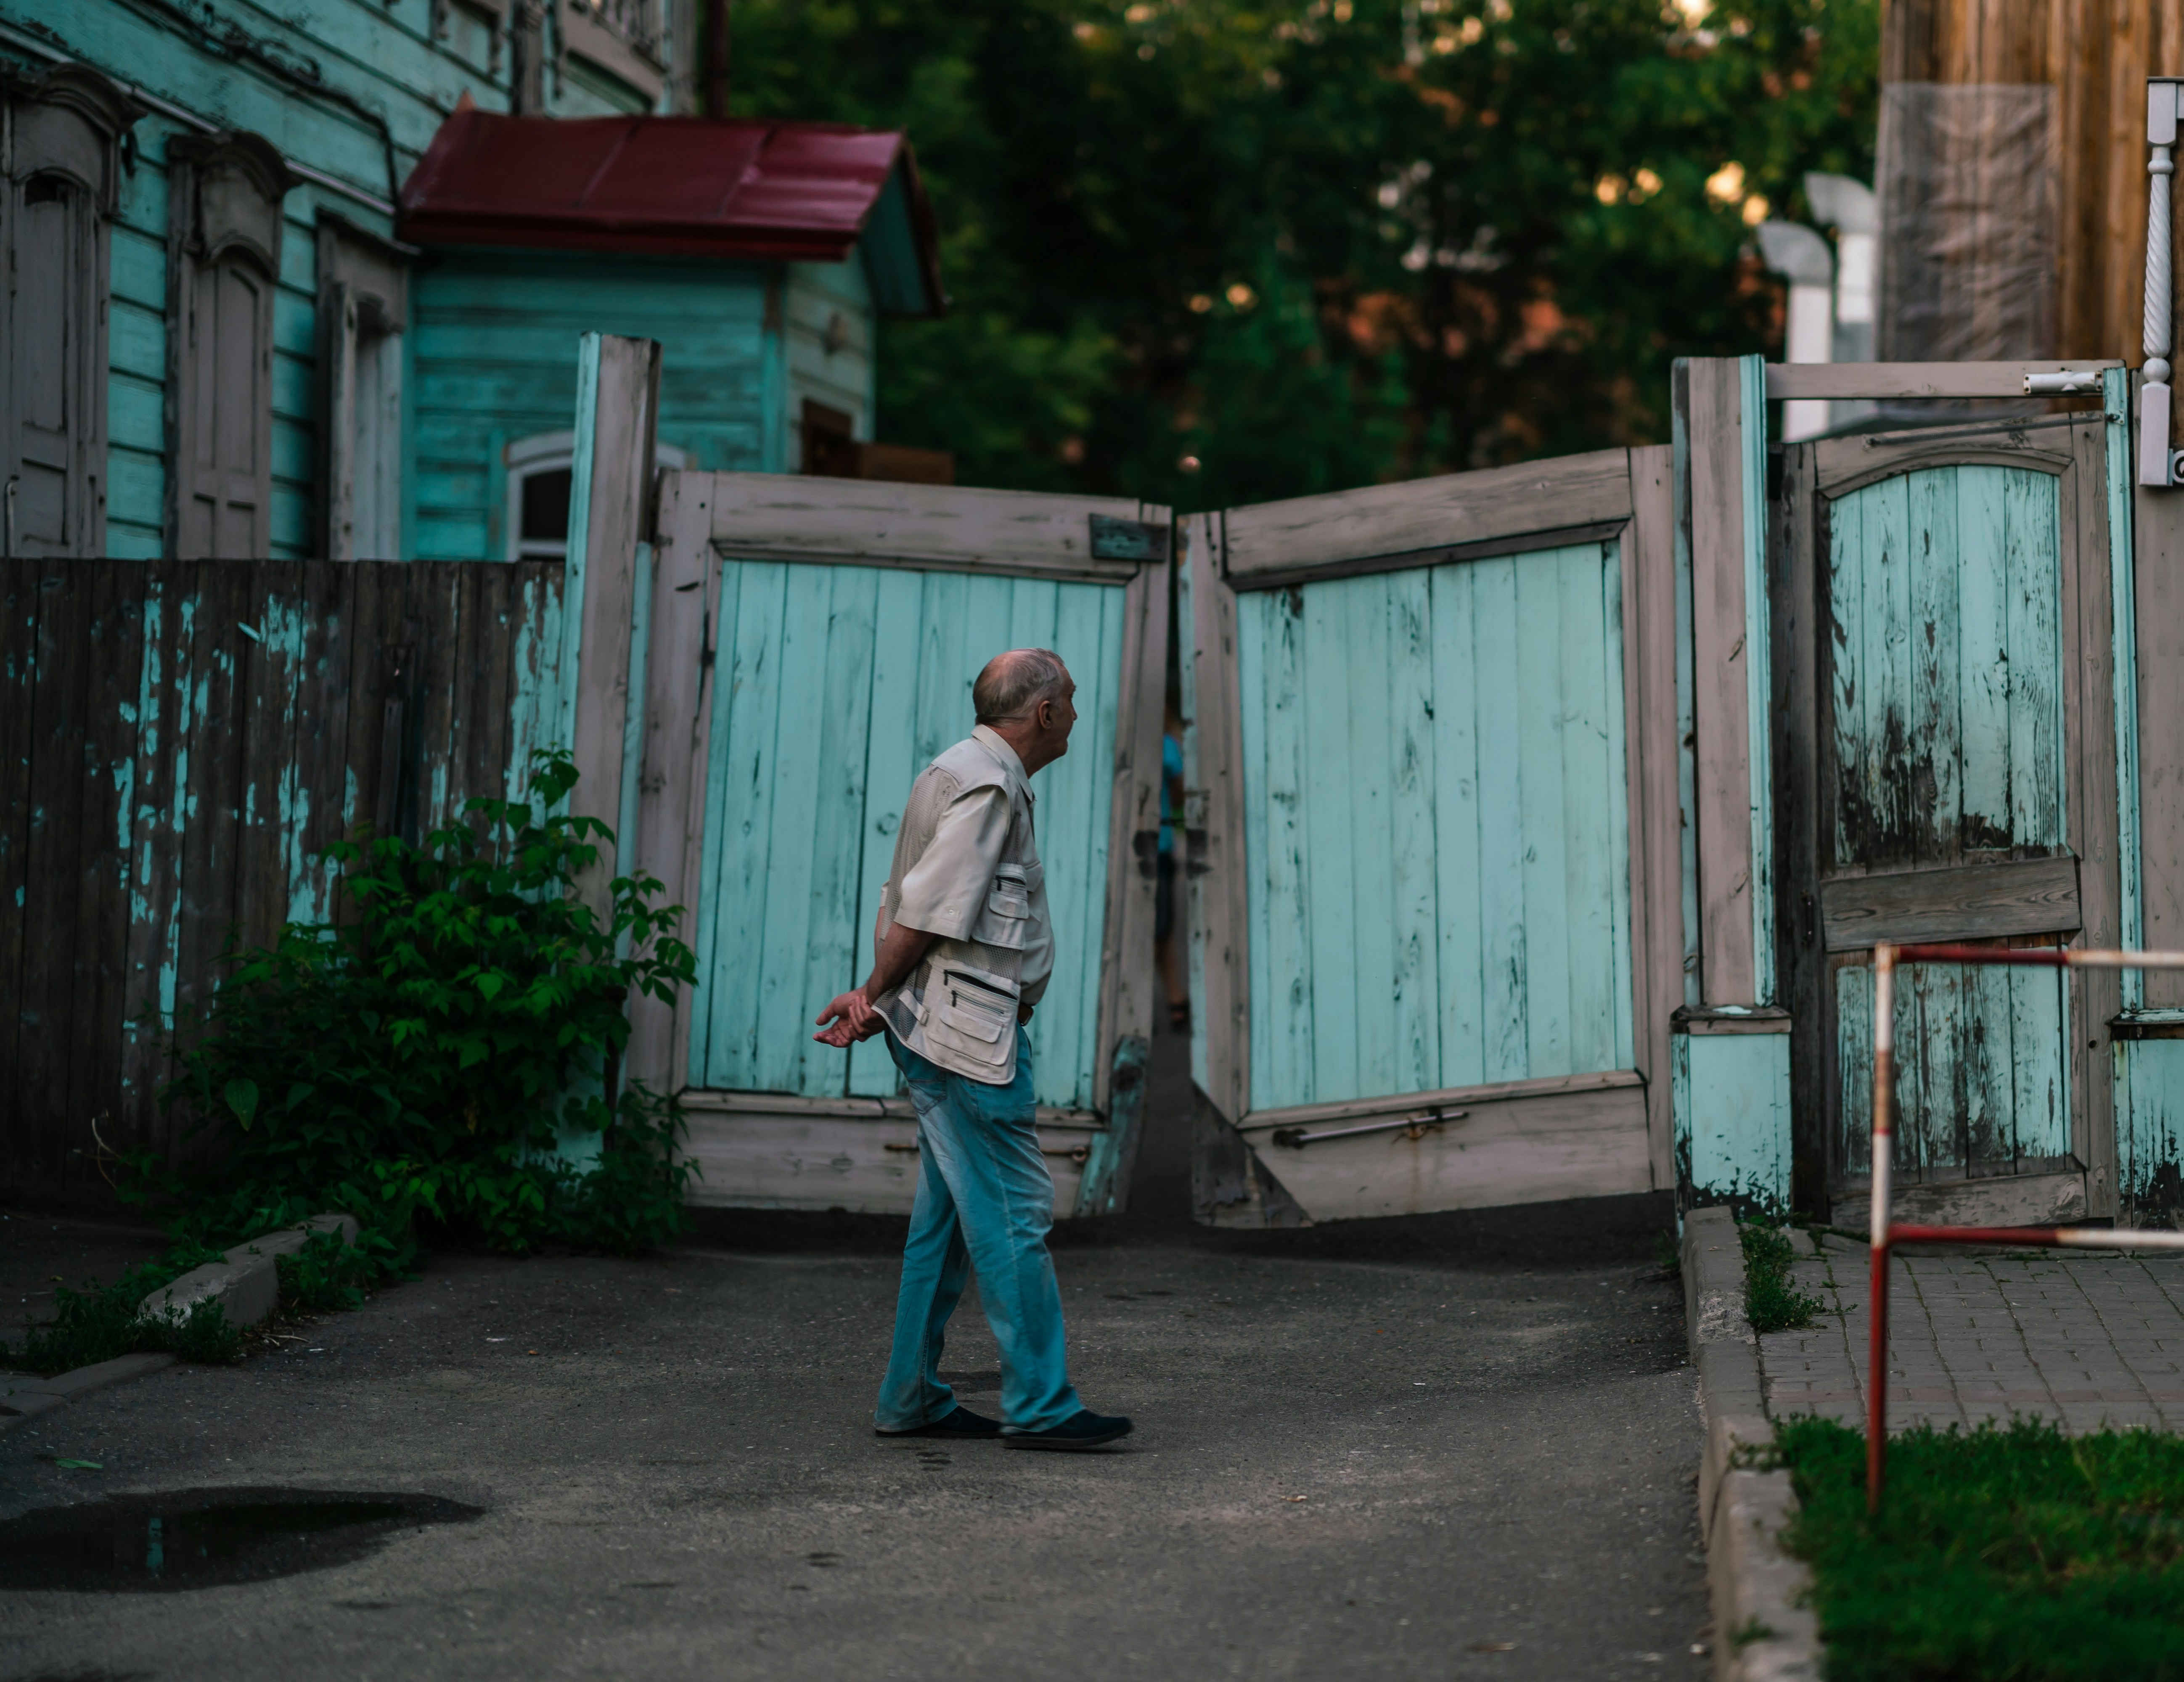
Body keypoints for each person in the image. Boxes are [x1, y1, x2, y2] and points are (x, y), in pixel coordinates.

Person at [813, 648, 1133, 1452]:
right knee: (1016, 1216)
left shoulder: (952, 770)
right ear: (1045, 714)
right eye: (1071, 701)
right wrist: (869, 993)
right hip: (965, 1043)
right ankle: (1042, 1406)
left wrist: (878, 996)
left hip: (937, 1028)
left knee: (949, 1222)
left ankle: (912, 1396)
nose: (1074, 716)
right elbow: (924, 906)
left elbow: (906, 898)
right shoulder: (988, 786)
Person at [1154, 705, 1188, 1031]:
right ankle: (1174, 996)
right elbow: (1179, 798)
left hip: (1156, 847)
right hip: (1158, 845)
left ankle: (1174, 995)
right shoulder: (1166, 746)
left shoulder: (1164, 746)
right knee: (1159, 929)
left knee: (1160, 929)